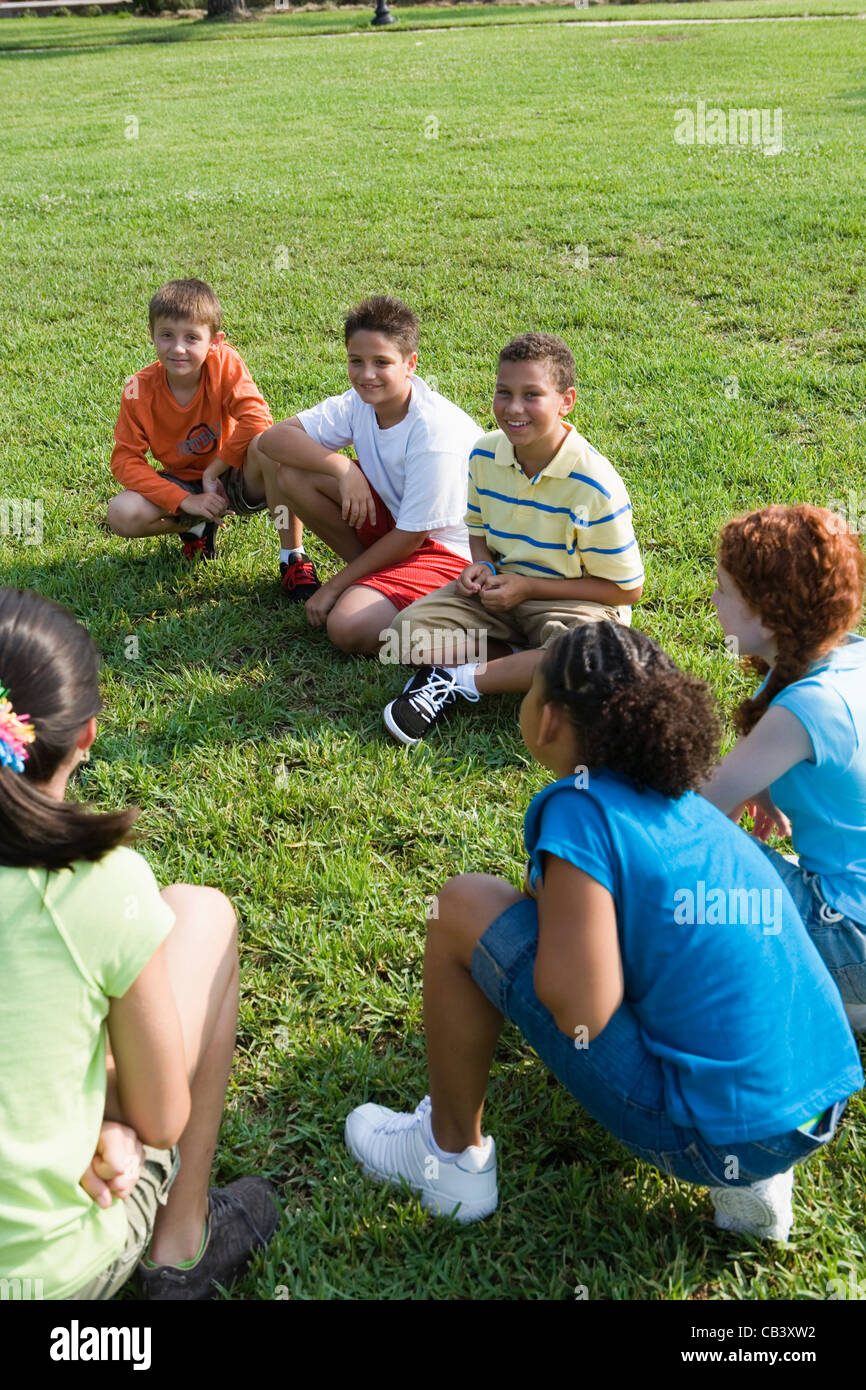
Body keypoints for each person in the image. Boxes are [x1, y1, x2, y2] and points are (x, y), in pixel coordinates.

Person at [345, 624, 862, 1239]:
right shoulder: (687, 801)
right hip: (814, 1100)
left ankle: (449, 1159)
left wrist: (538, 957)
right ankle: (751, 1177)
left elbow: (579, 1009)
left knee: (464, 905)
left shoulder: (580, 808)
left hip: (714, 1132)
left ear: (550, 722)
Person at [0, 588, 278, 1300]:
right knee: (203, 915)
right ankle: (180, 1251)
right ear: (86, 735)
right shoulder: (100, 885)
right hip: (49, 1274)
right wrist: (110, 1115)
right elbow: (160, 1116)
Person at [380, 333, 644, 745]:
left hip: (575, 602)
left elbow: (627, 590)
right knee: (403, 636)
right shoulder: (484, 454)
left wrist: (529, 588)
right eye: (504, 392)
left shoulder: (595, 484)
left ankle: (458, 679)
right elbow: (479, 531)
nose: (514, 408)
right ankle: (530, 662)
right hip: (500, 592)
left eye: (532, 394)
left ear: (566, 401)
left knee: (592, 659)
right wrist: (481, 566)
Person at [701, 503, 866, 1029]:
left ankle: (823, 987)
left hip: (849, 933)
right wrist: (762, 788)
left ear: (770, 614)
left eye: (725, 591)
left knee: (663, 857)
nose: (712, 600)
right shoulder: (848, 656)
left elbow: (694, 812)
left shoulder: (803, 707)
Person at [249, 295, 481, 647]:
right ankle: (375, 583)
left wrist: (335, 586)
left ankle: (451, 617)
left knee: (346, 626)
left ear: (410, 364)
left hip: (450, 553)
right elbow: (273, 440)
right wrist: (342, 467)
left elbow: (411, 537)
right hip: (403, 525)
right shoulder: (357, 402)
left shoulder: (434, 432)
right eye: (356, 361)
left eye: (381, 362)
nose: (366, 374)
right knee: (295, 474)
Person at [107, 277, 305, 568]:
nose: (177, 348)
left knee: (271, 445)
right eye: (166, 335)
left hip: (234, 475)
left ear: (215, 342)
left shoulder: (223, 361)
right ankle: (194, 526)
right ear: (150, 333)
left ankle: (293, 557)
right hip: (183, 483)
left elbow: (257, 418)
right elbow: (125, 460)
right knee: (120, 513)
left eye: (191, 338)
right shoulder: (137, 388)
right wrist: (183, 500)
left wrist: (213, 472)